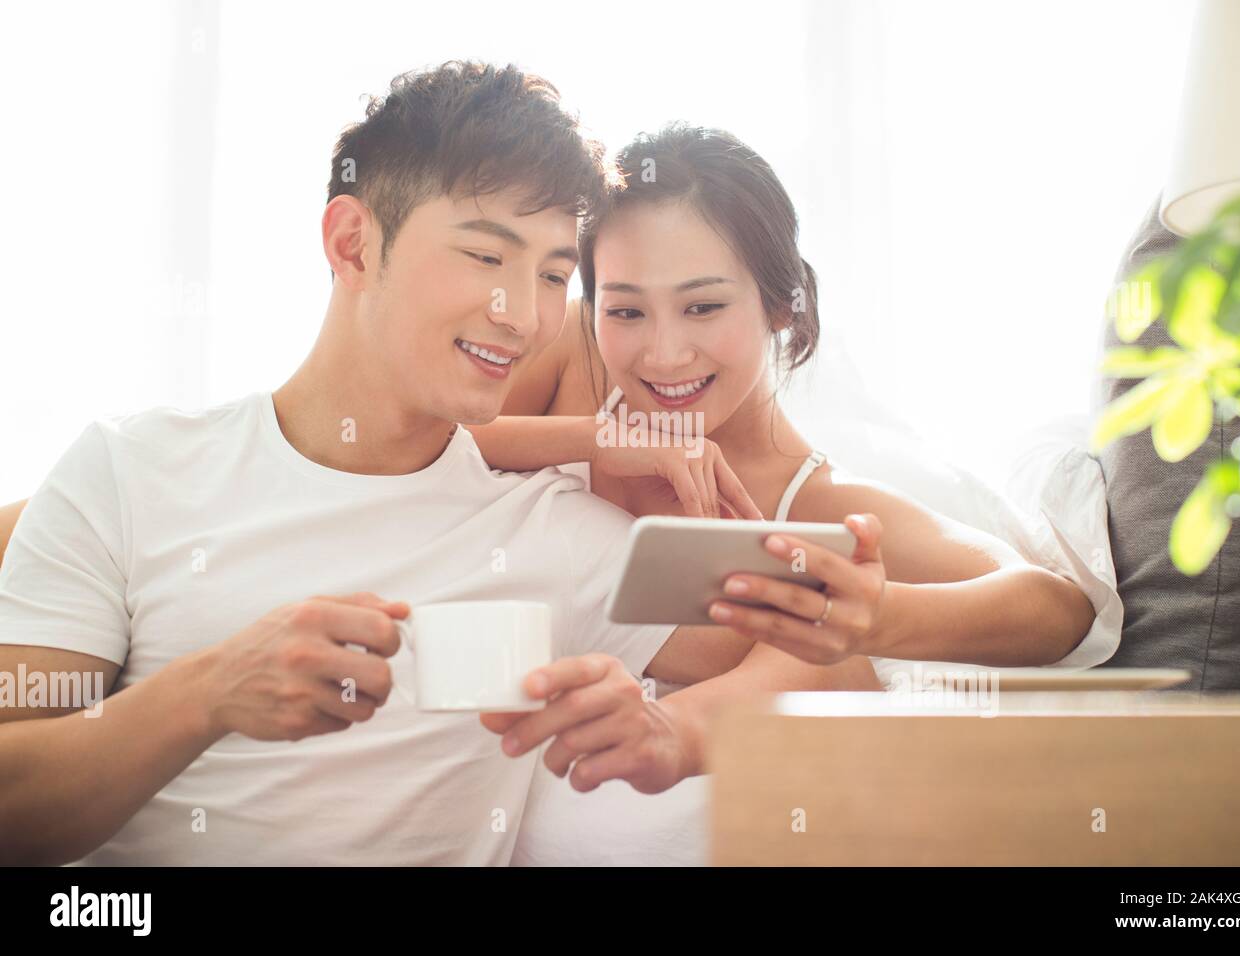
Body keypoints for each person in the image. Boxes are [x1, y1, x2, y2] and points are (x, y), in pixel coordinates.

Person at [0, 63, 877, 866]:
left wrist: (668, 727)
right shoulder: (128, 470)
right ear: (353, 245)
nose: (524, 317)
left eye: (552, 274)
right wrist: (204, 696)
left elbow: (830, 651)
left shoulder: (554, 537)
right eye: (488, 256)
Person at [469, 124, 1098, 669]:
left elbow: (1058, 608)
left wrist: (876, 615)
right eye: (627, 310)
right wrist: (599, 438)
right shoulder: (573, 351)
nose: (663, 353)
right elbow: (424, 437)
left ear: (778, 304)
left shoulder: (812, 503)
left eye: (704, 306)